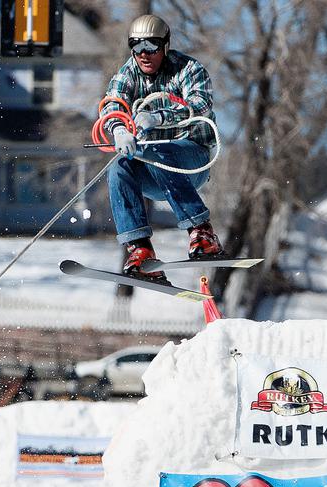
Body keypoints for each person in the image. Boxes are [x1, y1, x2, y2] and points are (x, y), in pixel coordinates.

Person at [101, 14, 223, 284]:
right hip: (153, 172)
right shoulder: (127, 73)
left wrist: (158, 118)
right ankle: (140, 249)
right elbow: (113, 104)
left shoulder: (188, 69)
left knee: (159, 150)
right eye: (137, 47)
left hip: (191, 160)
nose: (144, 55)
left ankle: (202, 232)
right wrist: (119, 129)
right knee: (119, 166)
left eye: (151, 48)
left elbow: (200, 104)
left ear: (165, 46)